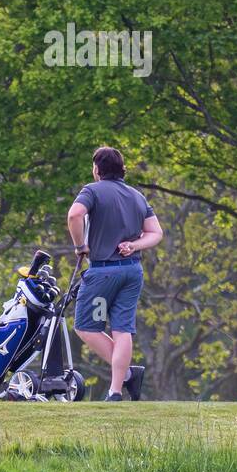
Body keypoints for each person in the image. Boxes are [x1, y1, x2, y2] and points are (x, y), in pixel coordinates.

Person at [66, 147, 162, 401]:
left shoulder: (92, 190)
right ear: (121, 169)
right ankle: (116, 390)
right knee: (123, 330)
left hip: (103, 272)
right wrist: (134, 245)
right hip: (132, 270)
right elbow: (155, 233)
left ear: (97, 169)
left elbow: (74, 214)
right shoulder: (137, 195)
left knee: (86, 326)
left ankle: (128, 374)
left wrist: (79, 246)